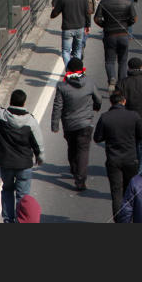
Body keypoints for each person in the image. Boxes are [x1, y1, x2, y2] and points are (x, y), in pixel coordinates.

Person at [0, 67, 43, 224]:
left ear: (11, 101)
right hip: (24, 164)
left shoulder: (1, 117)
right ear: (24, 103)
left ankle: (8, 219)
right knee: (23, 195)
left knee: (6, 190)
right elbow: (38, 142)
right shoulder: (30, 121)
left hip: (5, 163)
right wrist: (40, 156)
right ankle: (21, 220)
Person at [93, 89, 142, 220]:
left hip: (113, 160)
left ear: (111, 103)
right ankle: (132, 216)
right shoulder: (133, 116)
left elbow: (97, 138)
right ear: (124, 101)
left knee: (116, 192)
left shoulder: (105, 117)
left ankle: (119, 220)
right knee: (131, 190)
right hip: (131, 159)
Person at [49, 56, 101, 193]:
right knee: (83, 151)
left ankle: (74, 168)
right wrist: (96, 107)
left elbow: (57, 107)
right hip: (86, 123)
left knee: (72, 147)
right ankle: (81, 179)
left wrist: (55, 125)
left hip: (69, 124)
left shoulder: (62, 86)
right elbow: (98, 99)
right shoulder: (89, 83)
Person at [93, 0, 137, 89]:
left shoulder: (104, 2)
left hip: (109, 34)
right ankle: (121, 83)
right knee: (122, 61)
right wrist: (127, 25)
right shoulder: (127, 2)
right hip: (123, 34)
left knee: (110, 60)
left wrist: (105, 25)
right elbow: (134, 18)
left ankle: (111, 79)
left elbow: (96, 18)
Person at [50, 0, 92, 66]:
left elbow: (55, 13)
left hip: (67, 28)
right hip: (80, 27)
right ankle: (76, 69)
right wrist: (88, 25)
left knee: (66, 51)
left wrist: (53, 13)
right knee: (78, 50)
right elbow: (87, 12)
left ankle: (69, 69)